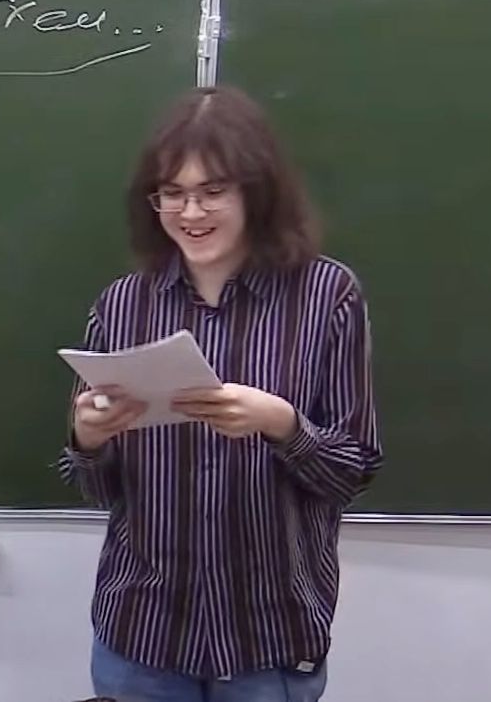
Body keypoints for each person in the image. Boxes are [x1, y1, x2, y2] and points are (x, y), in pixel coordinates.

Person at [54, 85, 383, 702]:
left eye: (212, 192)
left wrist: (283, 425)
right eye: (171, 194)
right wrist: (89, 440)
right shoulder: (123, 306)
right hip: (143, 636)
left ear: (257, 192)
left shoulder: (326, 297)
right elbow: (99, 489)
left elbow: (354, 469)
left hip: (269, 638)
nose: (190, 212)